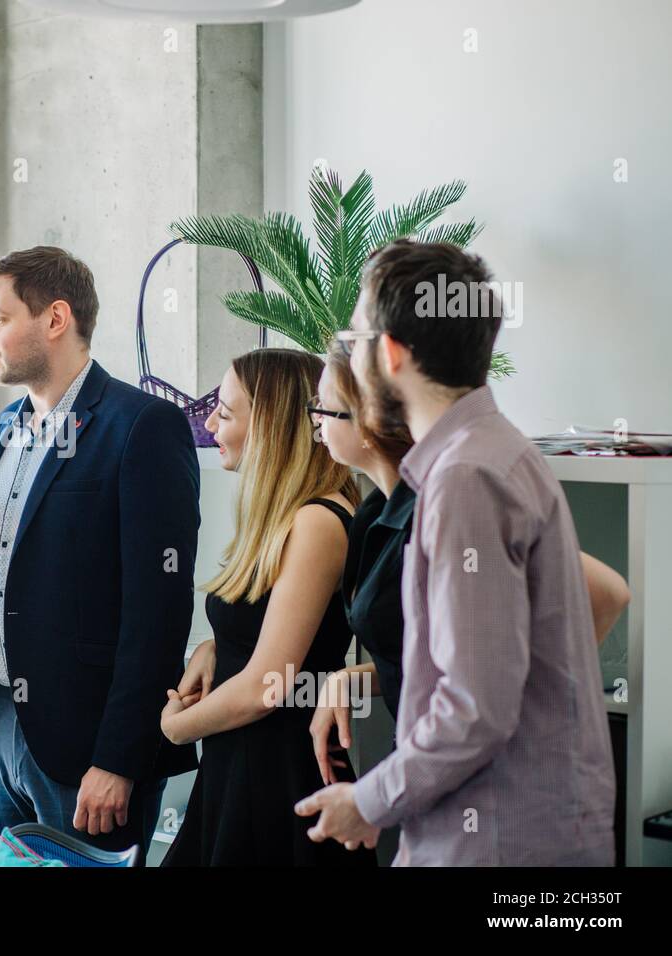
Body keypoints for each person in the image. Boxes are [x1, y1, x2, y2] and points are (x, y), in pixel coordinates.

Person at [296, 241, 617, 865]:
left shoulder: (465, 476)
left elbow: (475, 708)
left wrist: (370, 800)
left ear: (388, 355)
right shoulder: (492, 451)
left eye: (356, 337)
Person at [0, 246, 199, 860]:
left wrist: (118, 759)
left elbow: (158, 613)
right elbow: (28, 574)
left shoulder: (143, 426)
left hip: (87, 743)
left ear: (54, 319)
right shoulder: (8, 426)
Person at [308, 350, 630, 786]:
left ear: (365, 423)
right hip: (423, 758)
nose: (315, 423)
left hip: (482, 772)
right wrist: (352, 678)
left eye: (322, 409)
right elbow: (425, 654)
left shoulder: (446, 502)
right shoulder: (375, 514)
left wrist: (528, 710)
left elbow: (606, 592)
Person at [159, 348, 374, 867]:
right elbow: (271, 628)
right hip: (240, 768)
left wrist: (171, 729)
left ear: (274, 427)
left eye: (226, 413)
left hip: (279, 777)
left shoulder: (317, 522)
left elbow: (265, 687)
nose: (209, 423)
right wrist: (218, 644)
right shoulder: (287, 517)